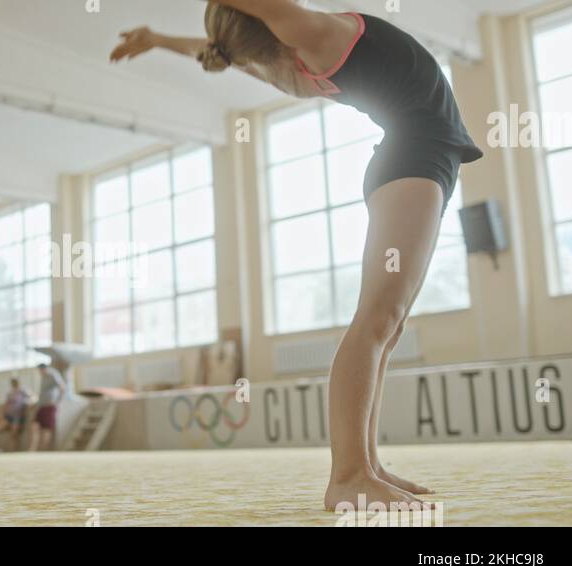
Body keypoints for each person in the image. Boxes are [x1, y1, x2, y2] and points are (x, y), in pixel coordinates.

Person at [111, 0, 482, 511]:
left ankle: (367, 465)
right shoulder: (314, 36)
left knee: (387, 327)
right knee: (377, 321)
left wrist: (156, 37)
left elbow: (216, 50)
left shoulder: (288, 56)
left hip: (418, 156)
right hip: (413, 156)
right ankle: (348, 476)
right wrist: (157, 38)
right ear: (275, 29)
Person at [29, 364, 66, 452]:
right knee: (34, 426)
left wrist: (58, 401)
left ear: (44, 369)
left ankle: (43, 450)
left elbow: (62, 387)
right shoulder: (43, 378)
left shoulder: (52, 375)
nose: (39, 372)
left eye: (40, 370)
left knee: (46, 429)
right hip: (41, 406)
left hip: (50, 406)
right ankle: (33, 448)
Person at [0, 378, 30, 451]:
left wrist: (26, 404)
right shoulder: (10, 393)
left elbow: (31, 396)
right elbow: (6, 404)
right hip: (8, 416)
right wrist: (2, 415)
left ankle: (14, 450)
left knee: (14, 434)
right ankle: (9, 429)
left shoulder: (22, 391)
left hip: (17, 416)